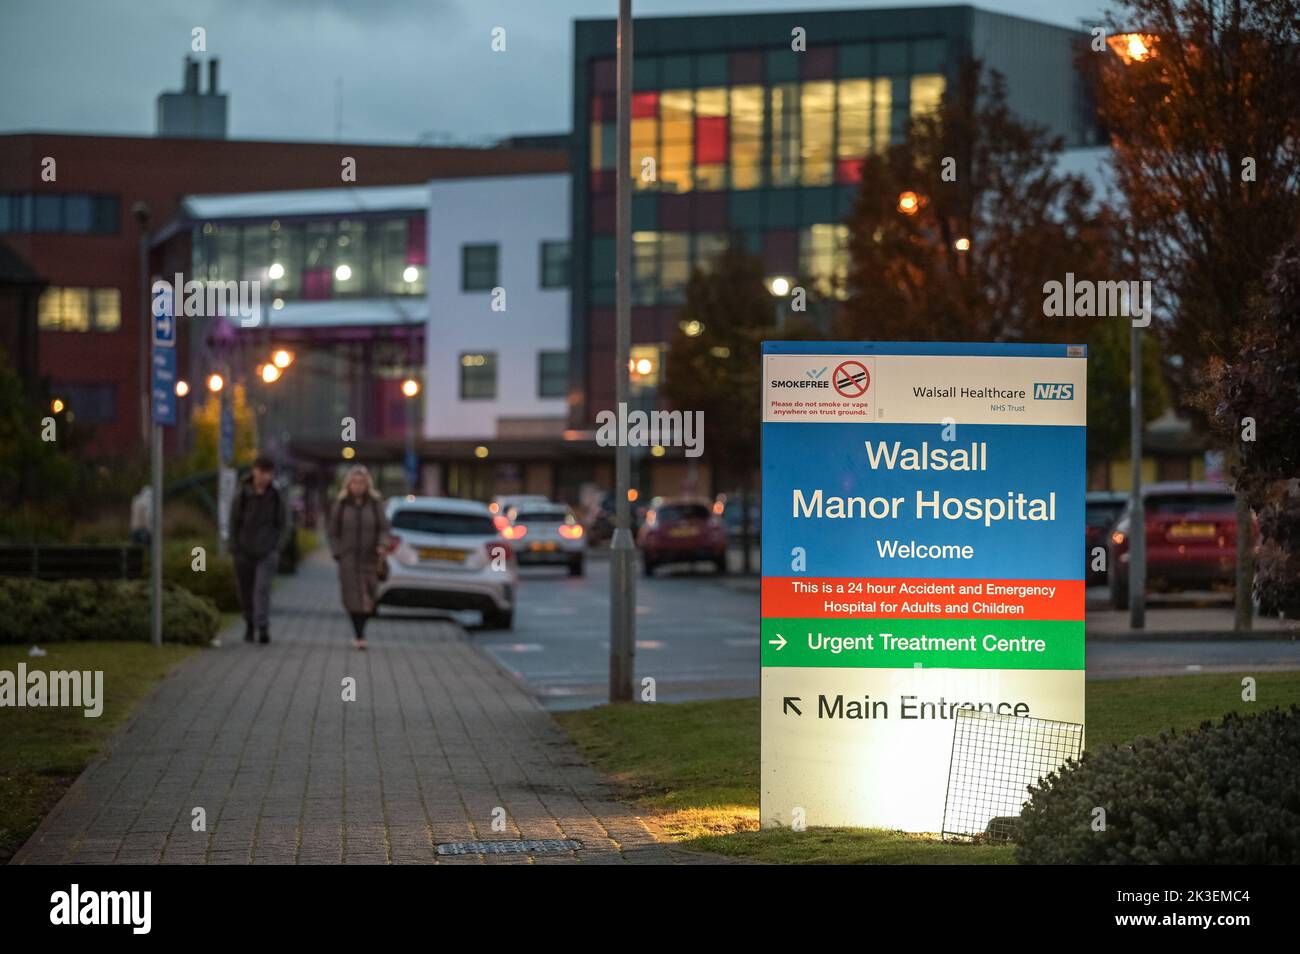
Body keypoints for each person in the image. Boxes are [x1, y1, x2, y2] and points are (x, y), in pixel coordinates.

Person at [328, 465, 391, 650]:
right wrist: (337, 551)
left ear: (367, 484)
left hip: (369, 557)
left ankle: (361, 630)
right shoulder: (341, 504)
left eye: (361, 482)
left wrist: (382, 544)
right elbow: (333, 531)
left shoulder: (375, 503)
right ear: (349, 484)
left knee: (368, 596)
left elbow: (384, 528)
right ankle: (359, 634)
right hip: (347, 558)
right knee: (352, 596)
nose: (358, 486)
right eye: (354, 482)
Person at [229, 456, 285, 645]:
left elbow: (283, 523)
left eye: (268, 473)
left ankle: (262, 626)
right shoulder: (243, 492)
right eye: (261, 472)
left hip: (267, 550)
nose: (264, 477)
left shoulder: (275, 494)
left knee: (262, 589)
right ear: (254, 471)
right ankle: (249, 624)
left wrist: (277, 546)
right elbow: (234, 520)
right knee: (246, 591)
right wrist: (235, 546)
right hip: (244, 549)